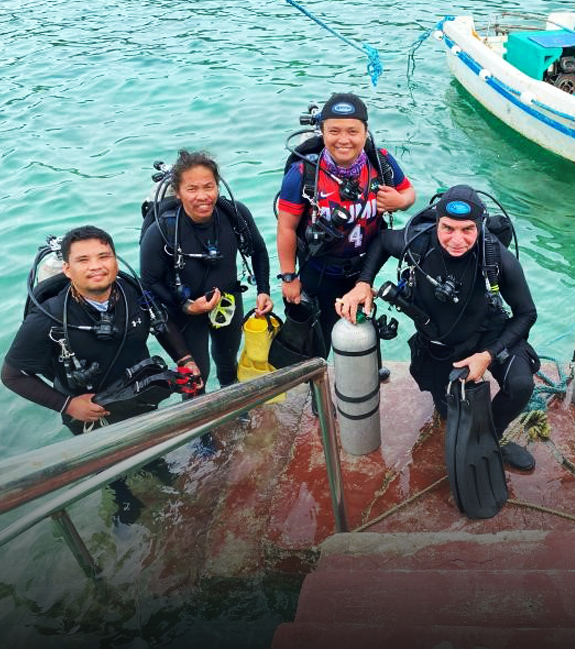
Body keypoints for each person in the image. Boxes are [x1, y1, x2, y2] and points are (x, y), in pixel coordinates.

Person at [1, 226, 199, 521]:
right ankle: (122, 496)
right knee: (107, 464)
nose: (96, 266)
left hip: (137, 393)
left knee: (149, 446)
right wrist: (68, 405)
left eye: (103, 256)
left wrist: (185, 359)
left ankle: (156, 467)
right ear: (67, 270)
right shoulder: (48, 317)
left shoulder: (133, 291)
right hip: (88, 411)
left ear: (115, 261)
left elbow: (161, 323)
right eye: (83, 260)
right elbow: (12, 374)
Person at [337, 185, 539, 471]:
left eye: (467, 229)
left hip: (487, 332)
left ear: (480, 226)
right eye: (448, 228)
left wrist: (489, 355)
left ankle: (491, 436)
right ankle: (456, 408)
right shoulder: (419, 243)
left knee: (520, 385)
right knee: (449, 412)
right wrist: (363, 283)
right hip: (438, 343)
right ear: (437, 223)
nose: (457, 239)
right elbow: (381, 241)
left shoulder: (496, 258)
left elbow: (527, 313)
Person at [276, 92, 416, 358]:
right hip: (319, 271)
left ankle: (366, 374)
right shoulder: (304, 173)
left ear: (365, 132)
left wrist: (400, 201)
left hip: (364, 269)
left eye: (353, 131)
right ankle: (317, 378)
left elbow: (409, 193)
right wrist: (289, 277)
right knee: (317, 342)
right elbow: (286, 228)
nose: (343, 139)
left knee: (363, 330)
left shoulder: (380, 161)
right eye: (334, 131)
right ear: (322, 131)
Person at [140, 149, 273, 390]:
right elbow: (149, 283)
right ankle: (201, 415)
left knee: (228, 365)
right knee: (196, 378)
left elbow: (259, 251)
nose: (202, 196)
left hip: (227, 301)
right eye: (192, 189)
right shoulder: (162, 231)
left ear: (217, 187)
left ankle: (232, 406)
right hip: (185, 311)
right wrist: (187, 306)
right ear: (178, 192)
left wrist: (264, 290)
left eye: (208, 187)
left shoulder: (234, 214)